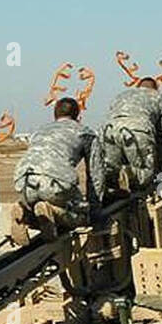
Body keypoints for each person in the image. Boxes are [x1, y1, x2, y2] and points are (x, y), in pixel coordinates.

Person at [11, 96, 102, 243]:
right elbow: (95, 174)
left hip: (24, 181)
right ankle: (53, 211)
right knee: (81, 215)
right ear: (78, 115)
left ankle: (23, 214)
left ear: (55, 114)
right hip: (55, 181)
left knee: (37, 208)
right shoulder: (85, 132)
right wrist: (96, 211)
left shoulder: (40, 131)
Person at [97, 77, 162, 194]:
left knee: (112, 172)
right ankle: (130, 173)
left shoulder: (121, 95)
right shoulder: (160, 98)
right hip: (138, 130)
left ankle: (114, 191)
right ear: (156, 88)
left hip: (109, 131)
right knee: (145, 174)